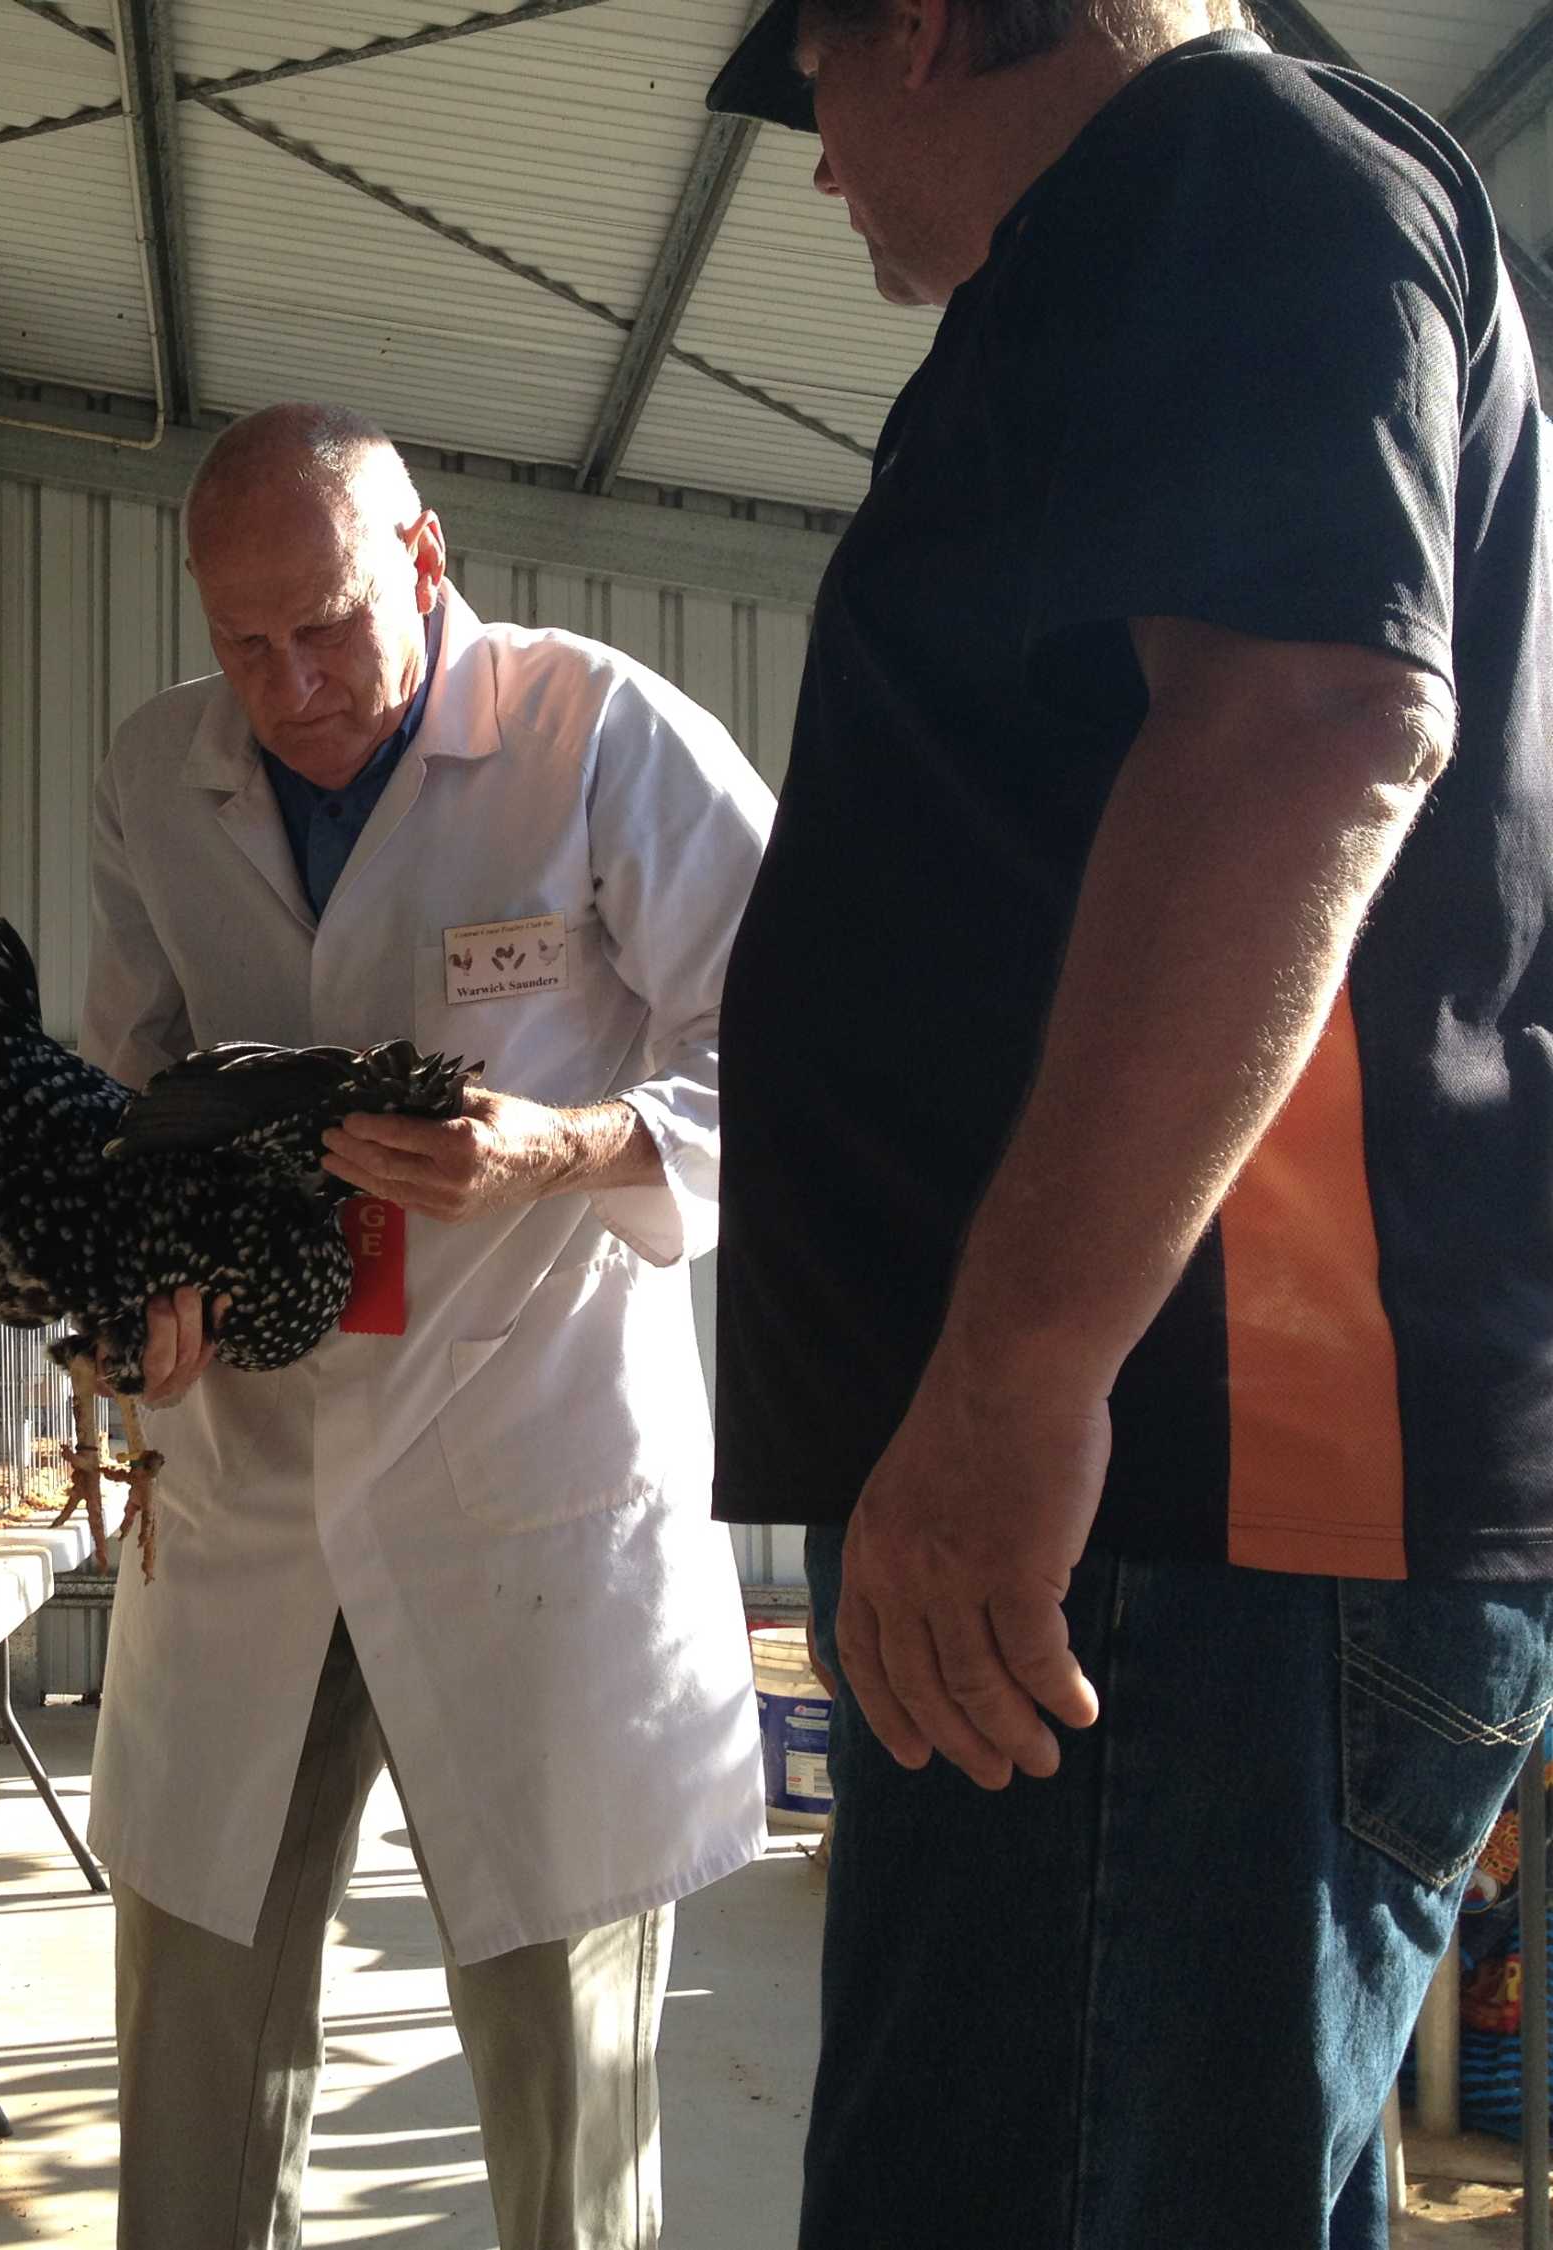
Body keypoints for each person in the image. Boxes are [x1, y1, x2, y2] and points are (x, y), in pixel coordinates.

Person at [703, 1, 1553, 2243]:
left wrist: (1015, 1379)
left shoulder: (1224, 164)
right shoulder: (1176, 220)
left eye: (813, 98)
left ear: (910, 23)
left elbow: (1310, 724)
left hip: (1191, 1508)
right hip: (1157, 1534)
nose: (817, 170)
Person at [78, 400, 773, 2250]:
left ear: (425, 556)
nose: (289, 683)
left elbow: (810, 1049)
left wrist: (572, 1144)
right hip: (247, 1478)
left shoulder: (595, 736)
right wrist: (120, 1280)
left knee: (568, 2112)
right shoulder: (160, 774)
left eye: (327, 623)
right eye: (243, 641)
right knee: (196, 2066)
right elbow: (121, 1085)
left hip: (524, 1475)